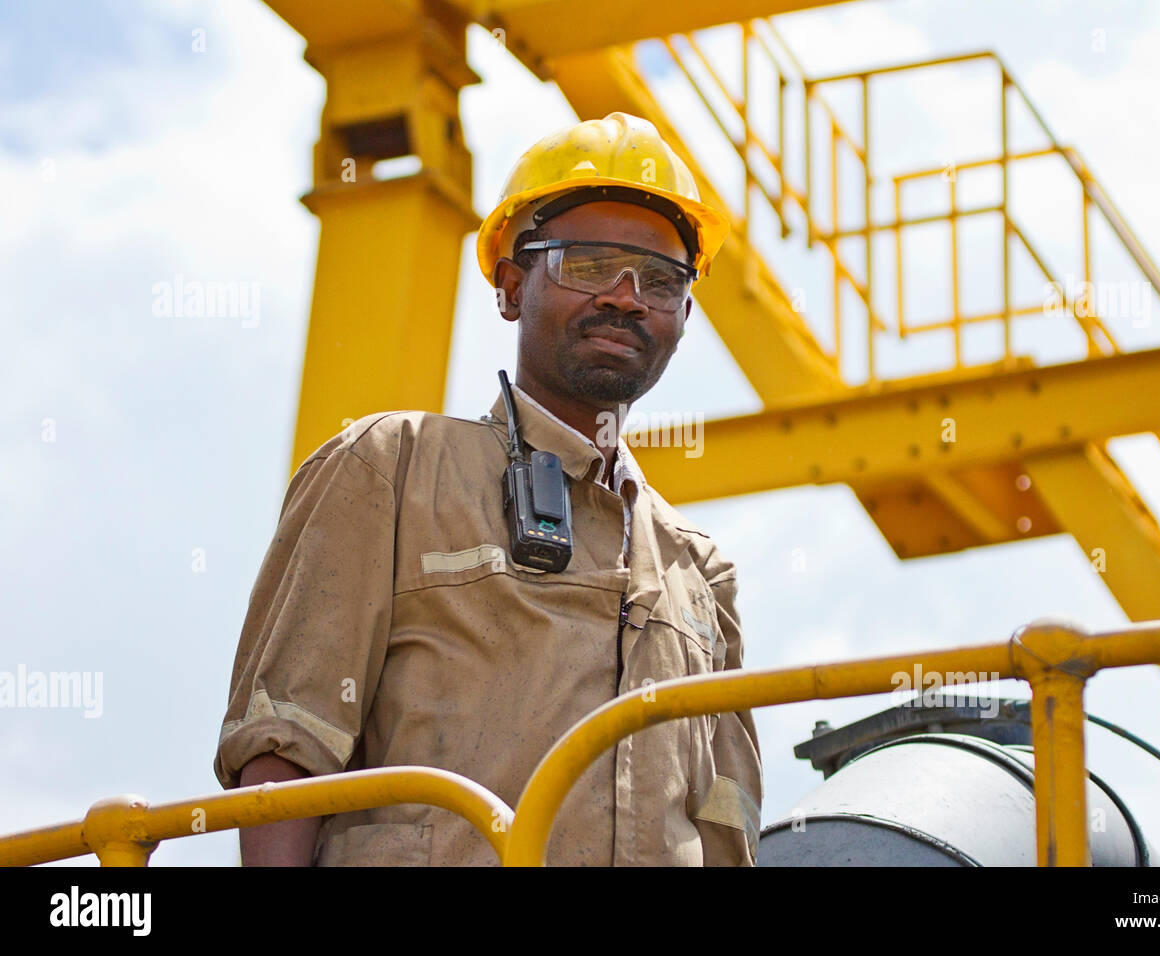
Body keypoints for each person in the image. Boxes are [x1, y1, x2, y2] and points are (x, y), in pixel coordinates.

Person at [214, 111, 762, 866]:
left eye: (660, 281)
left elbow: (726, 823)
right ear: (511, 285)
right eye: (590, 266)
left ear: (685, 315)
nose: (627, 297)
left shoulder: (698, 573)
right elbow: (285, 746)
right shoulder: (391, 470)